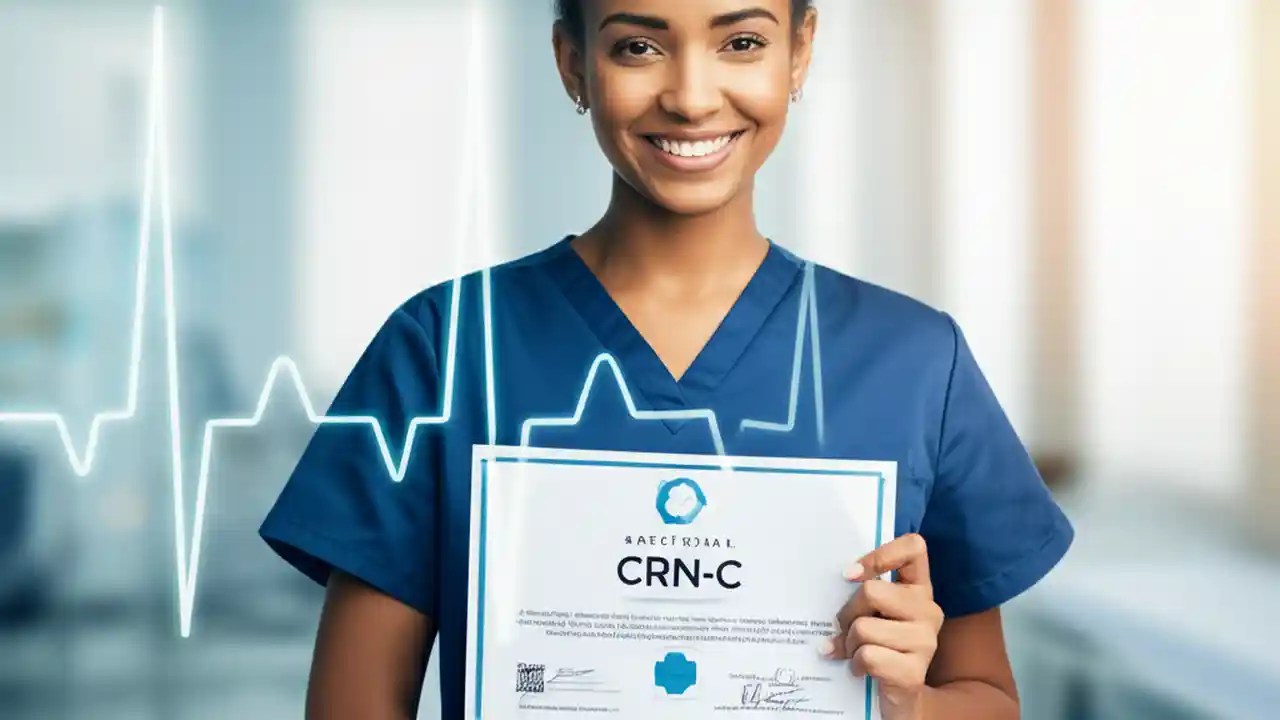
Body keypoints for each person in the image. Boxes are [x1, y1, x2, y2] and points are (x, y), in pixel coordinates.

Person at [259, 1, 1074, 718]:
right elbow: (353, 704)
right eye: (637, 47)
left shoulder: (914, 362)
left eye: (743, 43)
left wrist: (907, 704)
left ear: (800, 51)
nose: (689, 97)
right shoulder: (444, 347)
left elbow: (986, 698)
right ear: (573, 61)